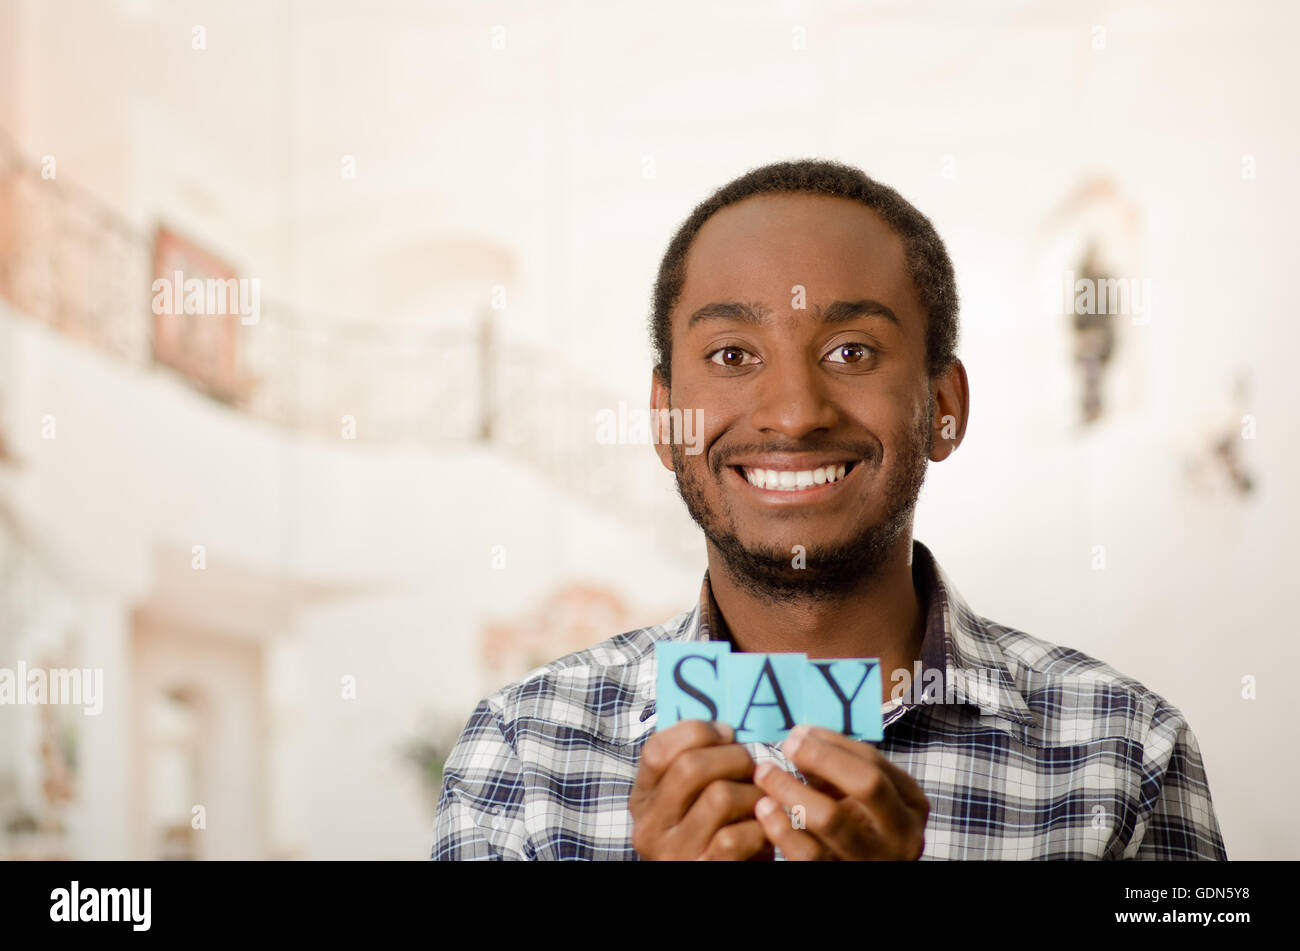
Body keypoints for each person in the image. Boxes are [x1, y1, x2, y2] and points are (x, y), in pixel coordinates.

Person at [430, 159, 1227, 860]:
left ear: (943, 406)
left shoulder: (1126, 755)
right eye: (732, 356)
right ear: (664, 419)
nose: (793, 411)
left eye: (852, 351)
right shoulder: (523, 755)